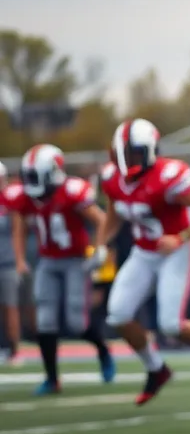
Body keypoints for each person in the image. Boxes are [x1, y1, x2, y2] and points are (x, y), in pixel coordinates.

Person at [96, 119, 190, 405]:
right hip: (143, 252)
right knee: (118, 314)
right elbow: (113, 214)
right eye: (122, 153)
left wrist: (181, 237)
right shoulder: (111, 178)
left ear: (149, 151)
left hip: (175, 251)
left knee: (170, 324)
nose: (126, 160)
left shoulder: (168, 176)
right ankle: (156, 368)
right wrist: (100, 244)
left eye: (132, 153)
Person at [6, 145, 113, 394]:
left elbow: (101, 220)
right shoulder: (25, 198)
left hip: (75, 260)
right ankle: (52, 379)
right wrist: (21, 259)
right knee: (45, 321)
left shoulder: (71, 192)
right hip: (47, 261)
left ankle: (102, 349)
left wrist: (100, 250)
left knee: (76, 322)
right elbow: (19, 228)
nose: (31, 183)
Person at [0, 162, 22, 365]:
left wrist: (19, 259)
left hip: (7, 262)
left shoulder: (10, 200)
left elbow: (17, 231)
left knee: (10, 307)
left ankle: (13, 349)